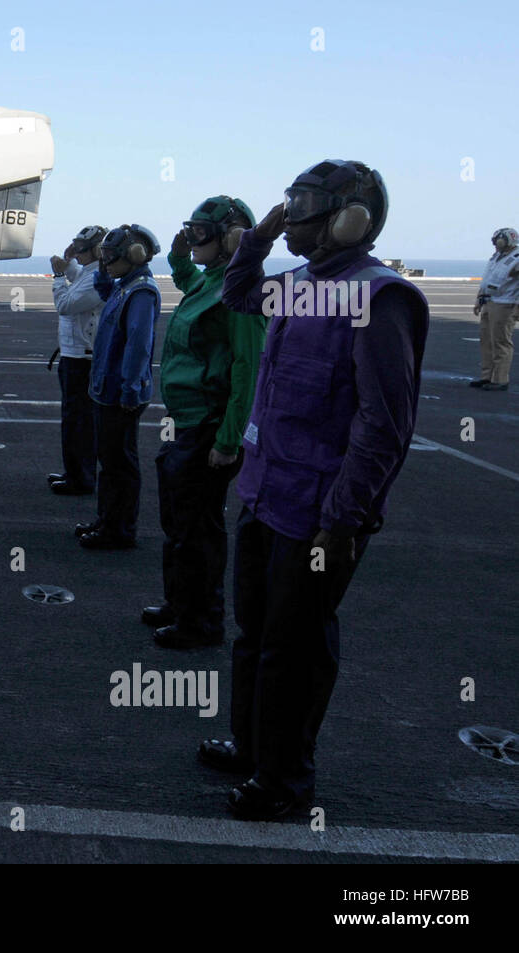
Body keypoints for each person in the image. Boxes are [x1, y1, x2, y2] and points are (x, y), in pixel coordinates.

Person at [211, 160, 428, 820]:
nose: (294, 213)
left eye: (305, 203)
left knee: (295, 650)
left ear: (350, 218)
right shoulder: (302, 283)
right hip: (265, 492)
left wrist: (343, 521)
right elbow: (237, 294)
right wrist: (259, 239)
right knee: (252, 633)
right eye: (291, 201)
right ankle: (250, 748)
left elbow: (382, 424)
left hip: (317, 515)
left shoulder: (379, 295)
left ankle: (284, 779)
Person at [146, 197, 266, 649]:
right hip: (187, 425)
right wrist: (178, 254)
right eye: (192, 230)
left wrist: (229, 440)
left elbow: (246, 370)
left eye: (201, 232)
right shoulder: (214, 282)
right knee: (179, 524)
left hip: (210, 429)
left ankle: (201, 621)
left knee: (198, 531)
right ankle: (180, 605)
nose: (194, 239)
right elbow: (187, 280)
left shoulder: (240, 293)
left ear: (232, 239)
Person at [77, 225, 161, 550]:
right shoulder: (124, 286)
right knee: (109, 461)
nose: (107, 262)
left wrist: (129, 389)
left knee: (120, 465)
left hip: (119, 395)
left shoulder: (141, 292)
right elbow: (104, 291)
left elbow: (138, 345)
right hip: (107, 390)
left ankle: (120, 530)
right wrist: (102, 269)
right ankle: (106, 520)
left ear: (135, 255)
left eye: (112, 257)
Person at [46, 226, 108, 496]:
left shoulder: (98, 277)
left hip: (82, 360)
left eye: (83, 248)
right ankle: (74, 472)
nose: (78, 252)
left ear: (96, 250)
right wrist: (68, 261)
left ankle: (81, 478)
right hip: (76, 357)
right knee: (74, 420)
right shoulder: (91, 272)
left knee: (79, 422)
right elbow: (79, 277)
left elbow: (65, 304)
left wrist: (58, 274)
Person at [471, 227, 519, 391]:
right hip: (489, 301)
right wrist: (479, 299)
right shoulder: (497, 257)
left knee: (501, 342)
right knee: (486, 341)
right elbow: (488, 280)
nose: (496, 244)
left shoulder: (516, 258)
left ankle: (500, 379)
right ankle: (487, 376)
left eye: (499, 240)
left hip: (505, 304)